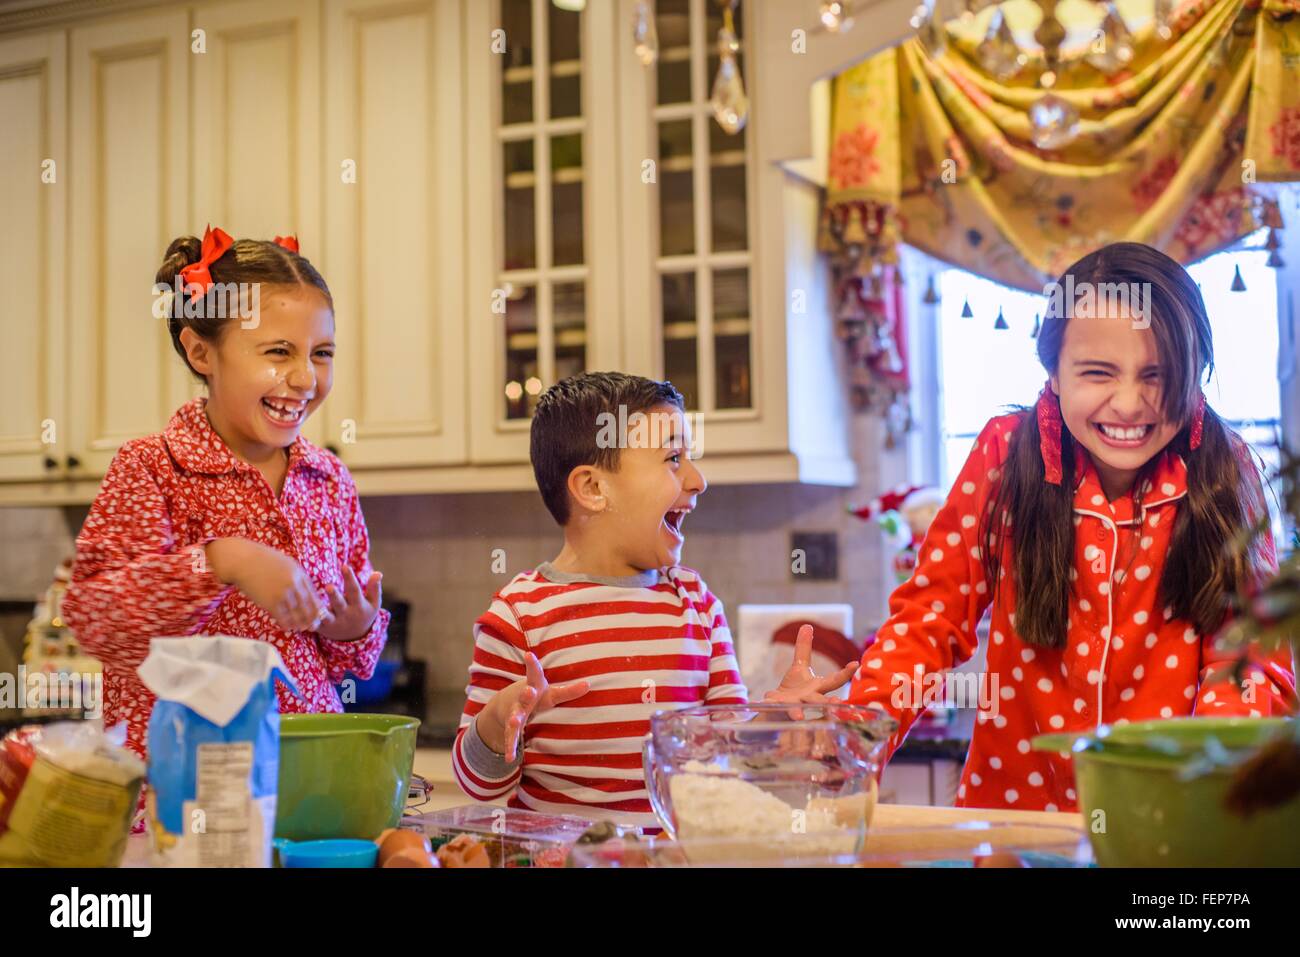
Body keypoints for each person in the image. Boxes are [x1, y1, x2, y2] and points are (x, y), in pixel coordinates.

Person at [769, 242, 1296, 811]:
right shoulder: (1003, 456)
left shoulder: (1227, 470)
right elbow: (930, 622)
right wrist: (853, 733)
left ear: (1197, 372)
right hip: (1015, 822)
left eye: (1158, 375)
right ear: (1053, 369)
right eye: (1098, 372)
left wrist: (1210, 786)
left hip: (1168, 822)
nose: (1129, 403)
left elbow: (1248, 662)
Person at [63, 226, 387, 773]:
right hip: (187, 792)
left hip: (308, 782)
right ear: (200, 351)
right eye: (278, 351)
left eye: (322, 353)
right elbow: (97, 619)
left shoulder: (328, 479)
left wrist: (353, 628)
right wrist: (222, 561)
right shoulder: (153, 467)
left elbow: (346, 664)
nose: (305, 378)